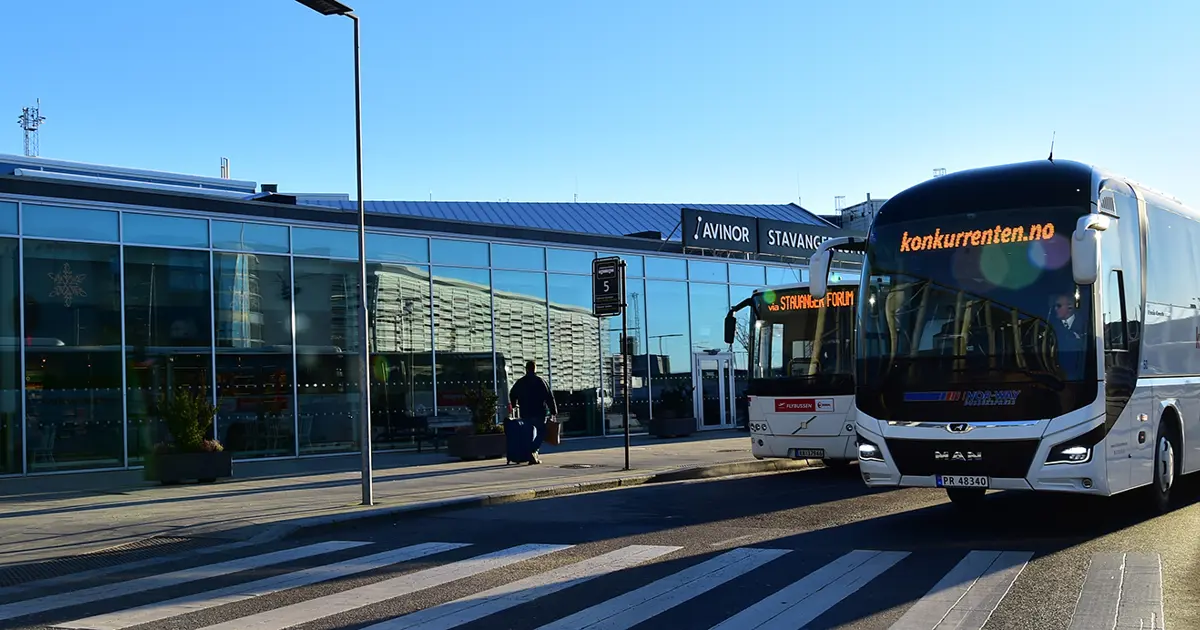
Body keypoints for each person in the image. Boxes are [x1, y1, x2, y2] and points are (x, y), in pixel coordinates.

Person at [508, 360, 557, 464]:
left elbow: (512, 393)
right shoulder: (540, 381)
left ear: (526, 369)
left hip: (525, 411)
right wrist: (553, 411)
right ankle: (533, 451)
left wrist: (514, 404)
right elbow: (549, 396)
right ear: (535, 369)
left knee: (528, 434)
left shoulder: (521, 382)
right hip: (539, 411)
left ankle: (533, 456)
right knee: (542, 432)